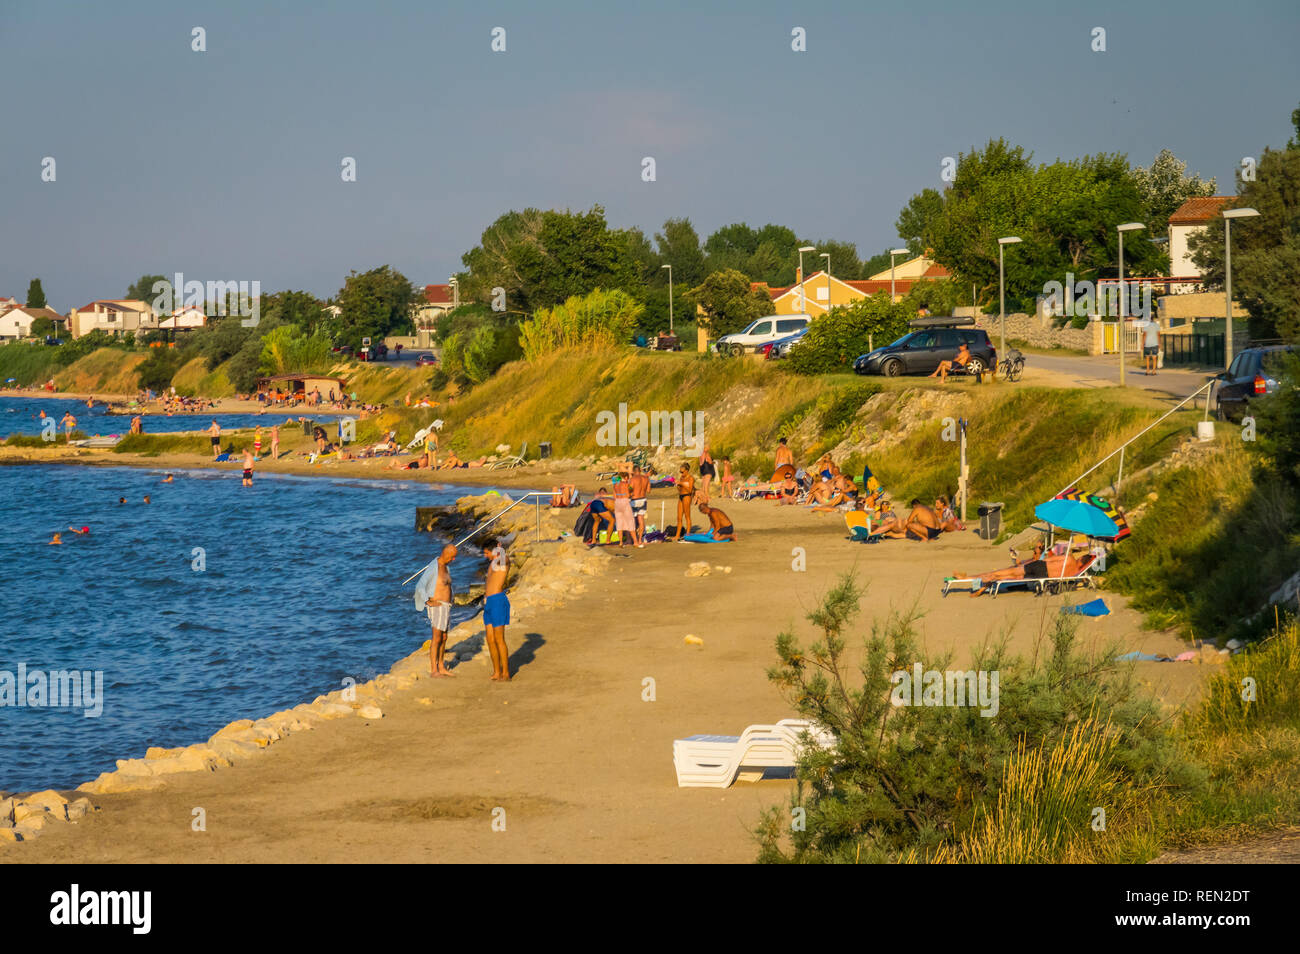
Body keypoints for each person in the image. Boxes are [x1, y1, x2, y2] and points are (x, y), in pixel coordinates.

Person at [958, 542, 1083, 597]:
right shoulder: (1073, 573)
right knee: (1009, 576)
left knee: (1007, 572)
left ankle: (981, 578)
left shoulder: (1069, 558)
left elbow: (1046, 561)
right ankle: (986, 582)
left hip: (1040, 566)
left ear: (1081, 558)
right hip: (1043, 576)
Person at [424, 544, 458, 677]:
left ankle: (442, 666)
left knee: (444, 637)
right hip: (437, 607)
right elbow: (420, 587)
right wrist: (428, 601)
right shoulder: (433, 568)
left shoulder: (446, 567)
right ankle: (434, 670)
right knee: (437, 638)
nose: (454, 559)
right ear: (447, 554)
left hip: (446, 607)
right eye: (453, 557)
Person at [481, 538, 511, 681]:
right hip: (489, 603)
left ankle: (506, 673)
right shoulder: (491, 564)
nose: (485, 556)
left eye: (487, 553)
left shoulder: (501, 561)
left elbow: (505, 559)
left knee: (499, 639)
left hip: (498, 601)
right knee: (490, 639)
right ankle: (497, 671)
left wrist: (499, 549)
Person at [628, 465, 650, 547]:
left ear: (633, 471)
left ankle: (635, 541)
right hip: (643, 499)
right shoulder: (646, 478)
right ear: (640, 471)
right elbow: (648, 490)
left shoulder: (632, 479)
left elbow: (629, 490)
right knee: (641, 520)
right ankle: (640, 539)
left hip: (634, 500)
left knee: (632, 521)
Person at [672, 464, 695, 541]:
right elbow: (680, 489)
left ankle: (687, 535)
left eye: (682, 472)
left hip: (687, 496)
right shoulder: (681, 477)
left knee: (687, 516)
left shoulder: (690, 478)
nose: (681, 474)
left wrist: (681, 483)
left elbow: (690, 490)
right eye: (680, 472)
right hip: (681, 496)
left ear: (687, 470)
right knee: (679, 517)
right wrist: (677, 484)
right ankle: (677, 535)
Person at [611, 473, 635, 548]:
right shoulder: (626, 484)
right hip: (624, 501)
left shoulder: (615, 485)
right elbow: (628, 494)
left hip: (617, 502)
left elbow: (614, 496)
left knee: (619, 523)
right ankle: (636, 541)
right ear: (625, 477)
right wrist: (631, 493)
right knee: (630, 522)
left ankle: (621, 542)